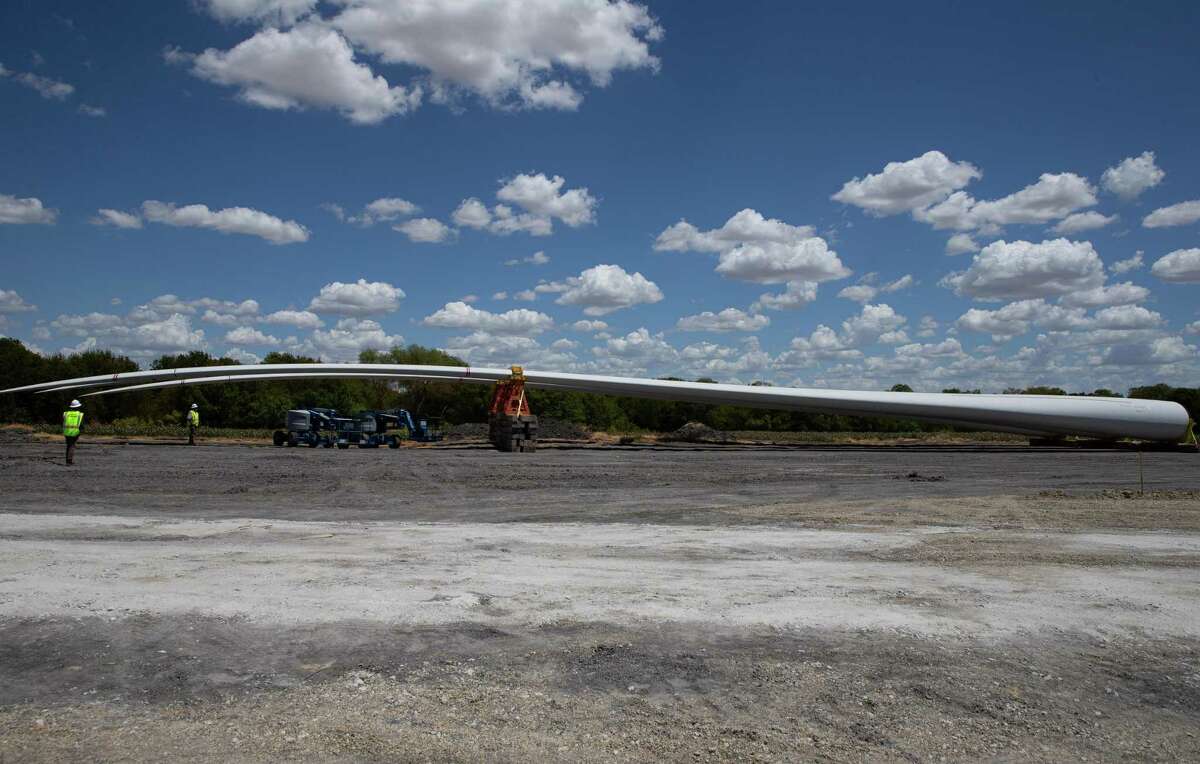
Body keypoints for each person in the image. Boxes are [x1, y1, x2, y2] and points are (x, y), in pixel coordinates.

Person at [63, 399, 83, 465]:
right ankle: (69, 461)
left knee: (69, 446)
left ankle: (68, 460)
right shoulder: (79, 414)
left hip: (66, 432)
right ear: (78, 407)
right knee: (72, 446)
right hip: (75, 432)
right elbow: (81, 425)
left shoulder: (66, 413)